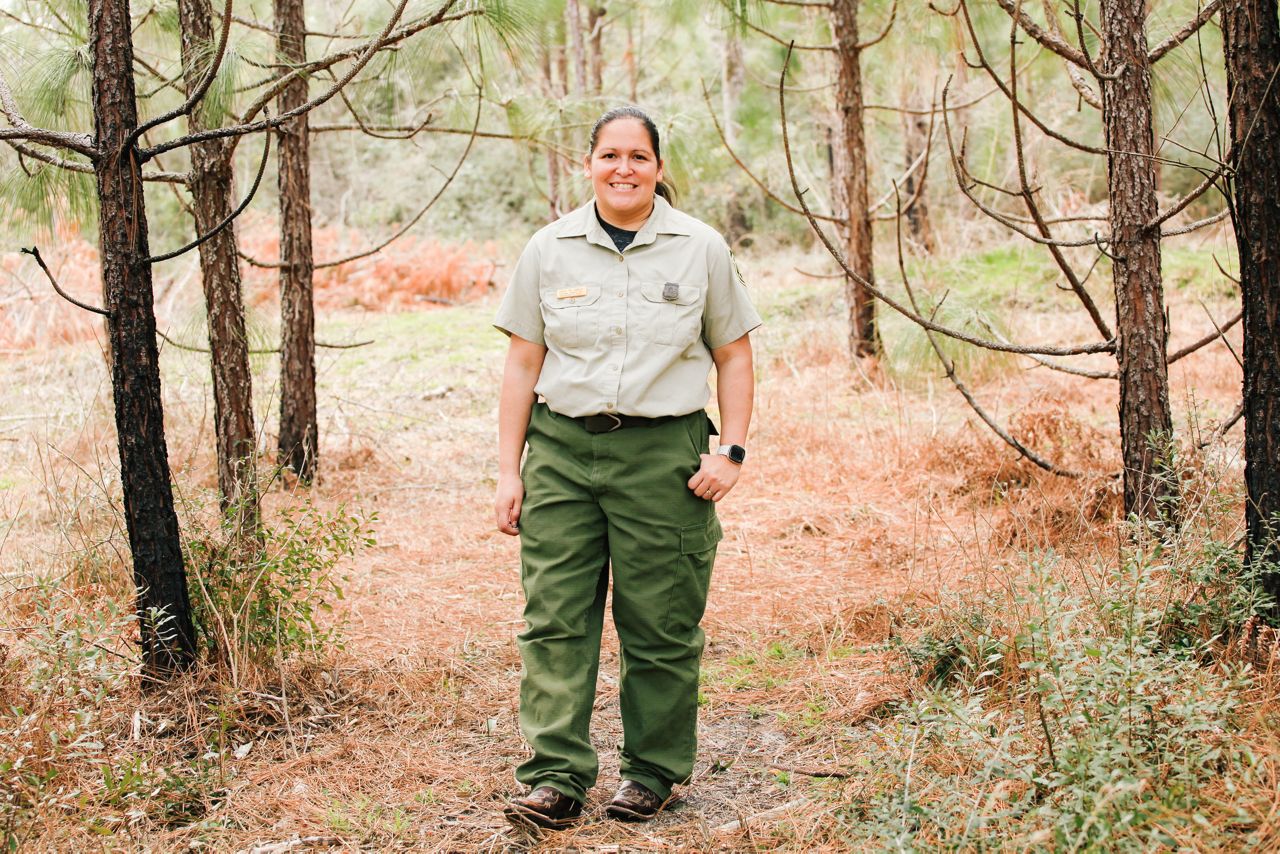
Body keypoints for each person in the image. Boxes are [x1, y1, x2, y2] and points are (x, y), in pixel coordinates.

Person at [493, 105, 761, 830]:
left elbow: (734, 354)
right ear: (589, 164)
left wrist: (731, 451)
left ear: (659, 167)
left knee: (662, 622)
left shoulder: (700, 248)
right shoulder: (548, 249)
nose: (623, 168)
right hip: (560, 454)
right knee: (554, 619)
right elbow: (523, 361)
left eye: (638, 156)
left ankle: (652, 772)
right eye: (610, 155)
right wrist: (508, 469)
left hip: (663, 455)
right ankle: (554, 778)